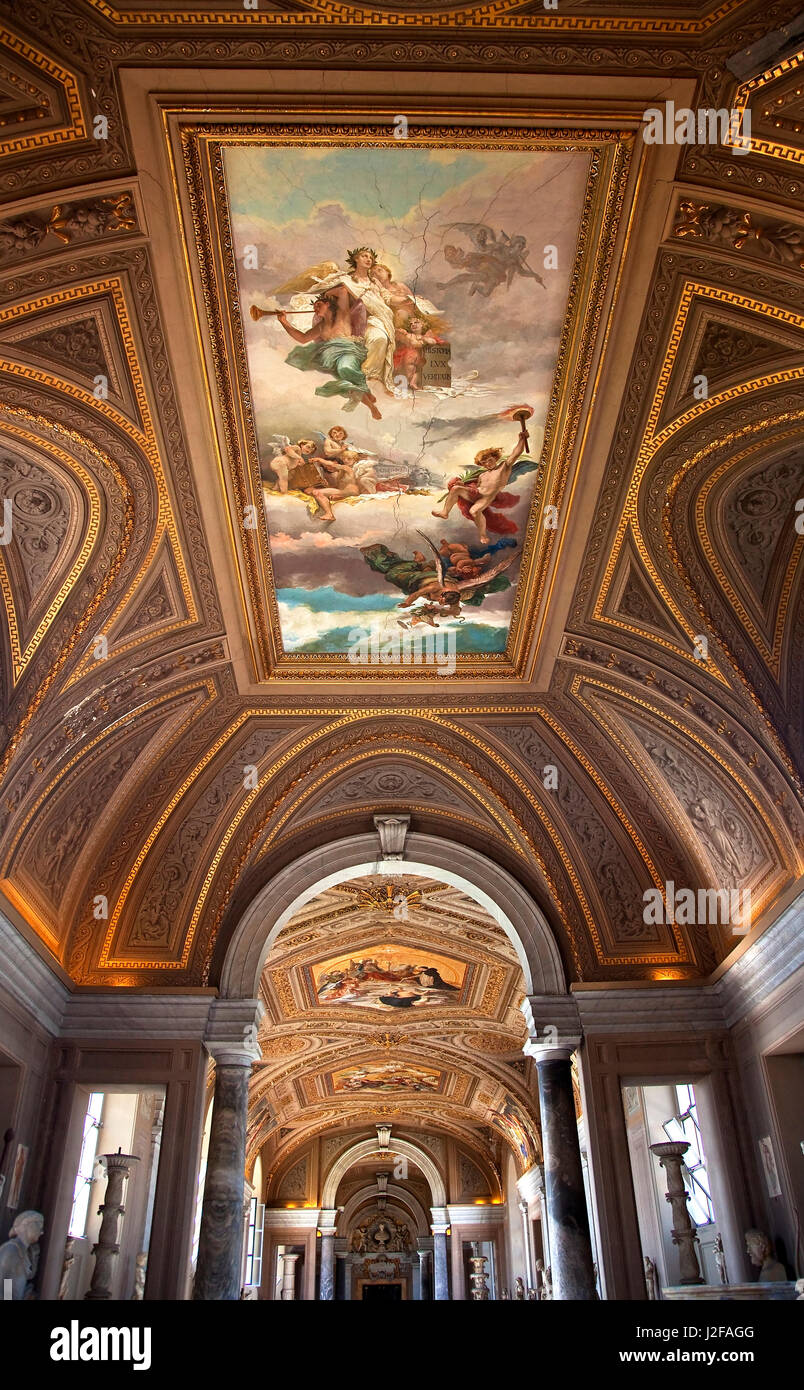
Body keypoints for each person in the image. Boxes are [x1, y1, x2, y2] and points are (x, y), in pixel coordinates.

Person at [276, 290, 381, 419]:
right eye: (314, 307)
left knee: (345, 368)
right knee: (349, 385)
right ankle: (371, 406)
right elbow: (302, 338)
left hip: (349, 351)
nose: (315, 308)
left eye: (318, 304)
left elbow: (342, 291)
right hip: (332, 360)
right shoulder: (321, 327)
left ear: (328, 304)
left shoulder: (342, 314)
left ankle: (366, 392)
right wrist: (283, 322)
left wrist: (326, 294)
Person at [431, 416, 537, 543]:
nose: (487, 464)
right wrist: (464, 485)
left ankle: (482, 535)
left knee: (474, 511)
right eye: (484, 463)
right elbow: (476, 486)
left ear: (495, 458)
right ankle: (445, 512)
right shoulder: (482, 475)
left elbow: (515, 454)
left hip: (487, 497)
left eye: (489, 460)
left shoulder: (503, 467)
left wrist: (522, 439)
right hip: (476, 493)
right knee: (456, 488)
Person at [0, 1210, 43, 1300]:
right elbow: (5, 1281)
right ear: (28, 1225)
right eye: (39, 1225)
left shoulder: (25, 1251)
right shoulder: (11, 1250)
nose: (41, 1231)